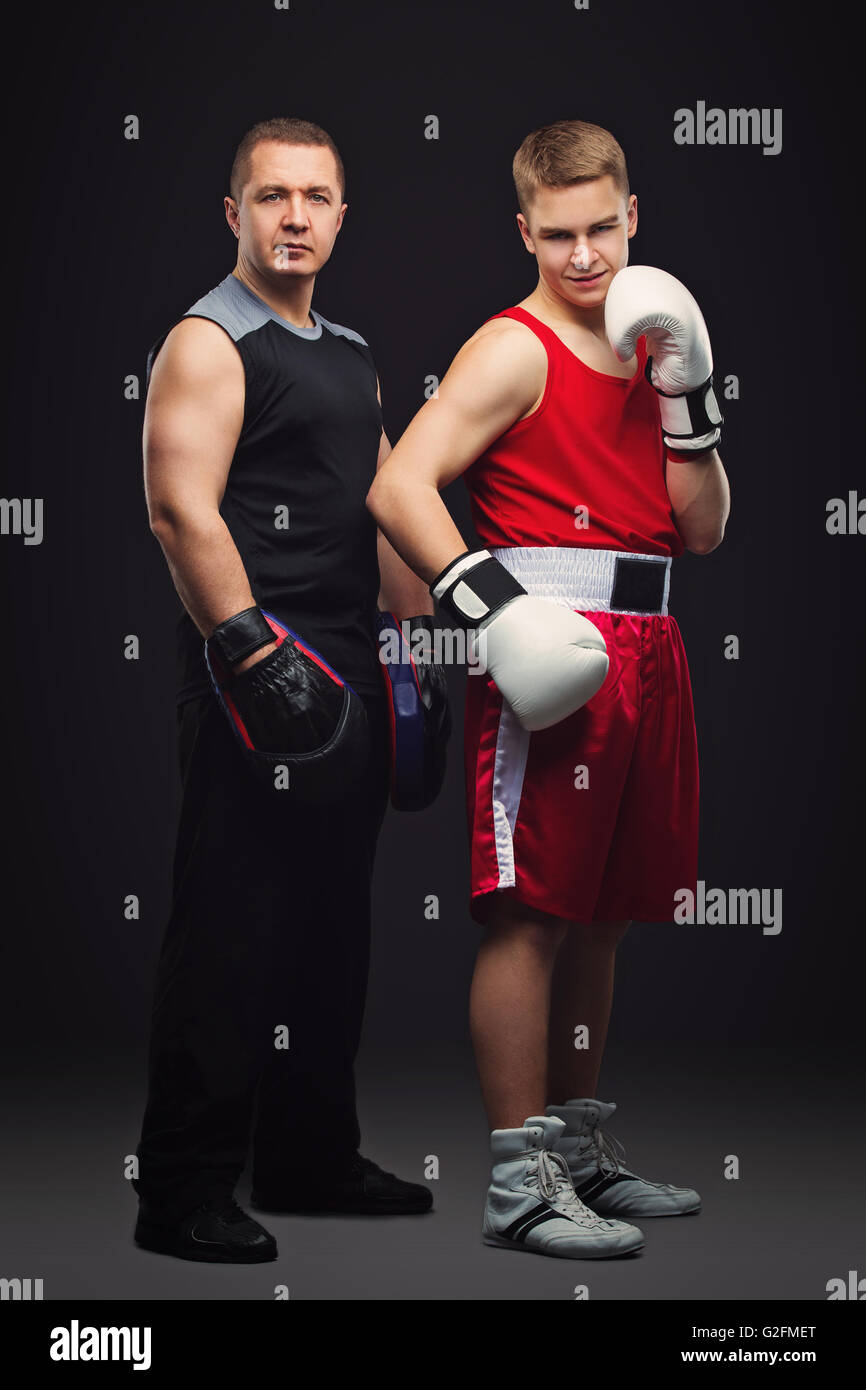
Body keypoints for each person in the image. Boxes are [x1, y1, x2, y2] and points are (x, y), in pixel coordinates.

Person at [366, 119, 730, 1260]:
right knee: (529, 913)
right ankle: (518, 1183)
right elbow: (399, 486)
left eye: (600, 229)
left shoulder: (653, 340)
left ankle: (574, 1155)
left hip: (648, 652)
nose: (582, 256)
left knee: (605, 915)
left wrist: (687, 394)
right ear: (524, 230)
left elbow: (702, 530)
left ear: (633, 216)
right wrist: (493, 612)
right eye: (557, 234)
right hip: (548, 649)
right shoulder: (510, 347)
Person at [133, 116, 444, 1263]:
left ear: (341, 214)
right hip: (252, 675)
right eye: (272, 197)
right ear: (235, 213)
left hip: (354, 672)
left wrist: (411, 652)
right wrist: (253, 655)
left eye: (315, 197)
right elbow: (180, 508)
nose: (296, 217)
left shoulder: (351, 352)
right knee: (230, 933)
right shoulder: (208, 341)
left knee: (327, 933)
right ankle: (179, 1188)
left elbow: (379, 510)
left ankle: (308, 1157)